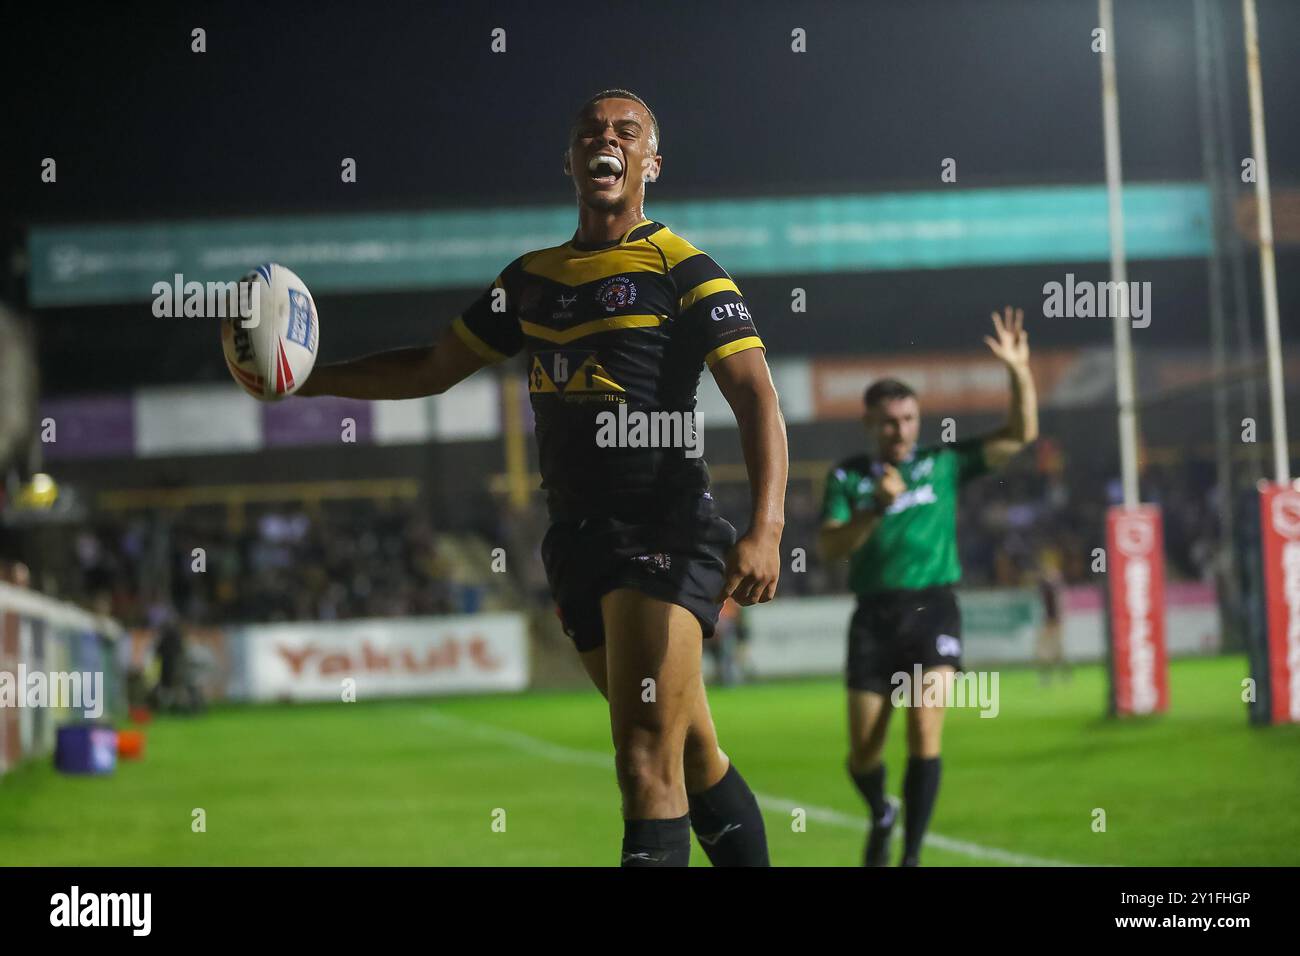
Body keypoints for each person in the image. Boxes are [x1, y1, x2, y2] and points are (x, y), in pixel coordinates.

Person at [288, 90, 788, 867]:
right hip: (577, 542)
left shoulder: (683, 267)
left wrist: (767, 527)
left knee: (643, 761)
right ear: (570, 162)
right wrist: (310, 380)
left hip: (662, 530)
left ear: (650, 164)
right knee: (690, 756)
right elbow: (430, 367)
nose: (607, 139)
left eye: (627, 132)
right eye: (592, 131)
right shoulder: (529, 281)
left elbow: (757, 394)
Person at [818, 307, 1037, 866]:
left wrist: (1017, 371)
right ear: (869, 423)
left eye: (910, 419)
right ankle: (881, 812)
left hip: (933, 610)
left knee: (923, 725)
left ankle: (910, 857)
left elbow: (1021, 434)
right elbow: (830, 547)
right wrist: (873, 508)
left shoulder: (944, 463)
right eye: (890, 422)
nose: (901, 430)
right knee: (862, 754)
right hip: (873, 617)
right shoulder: (846, 477)